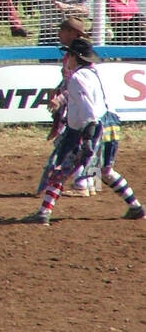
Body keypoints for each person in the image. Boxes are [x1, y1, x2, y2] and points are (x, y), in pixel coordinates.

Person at [26, 38, 145, 225]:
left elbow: (87, 106)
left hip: (89, 128)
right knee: (105, 170)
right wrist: (63, 101)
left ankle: (43, 213)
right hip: (110, 126)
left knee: (62, 170)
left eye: (69, 54)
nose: (66, 57)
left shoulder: (77, 77)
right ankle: (136, 207)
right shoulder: (95, 73)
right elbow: (85, 97)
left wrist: (87, 135)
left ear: (75, 57)